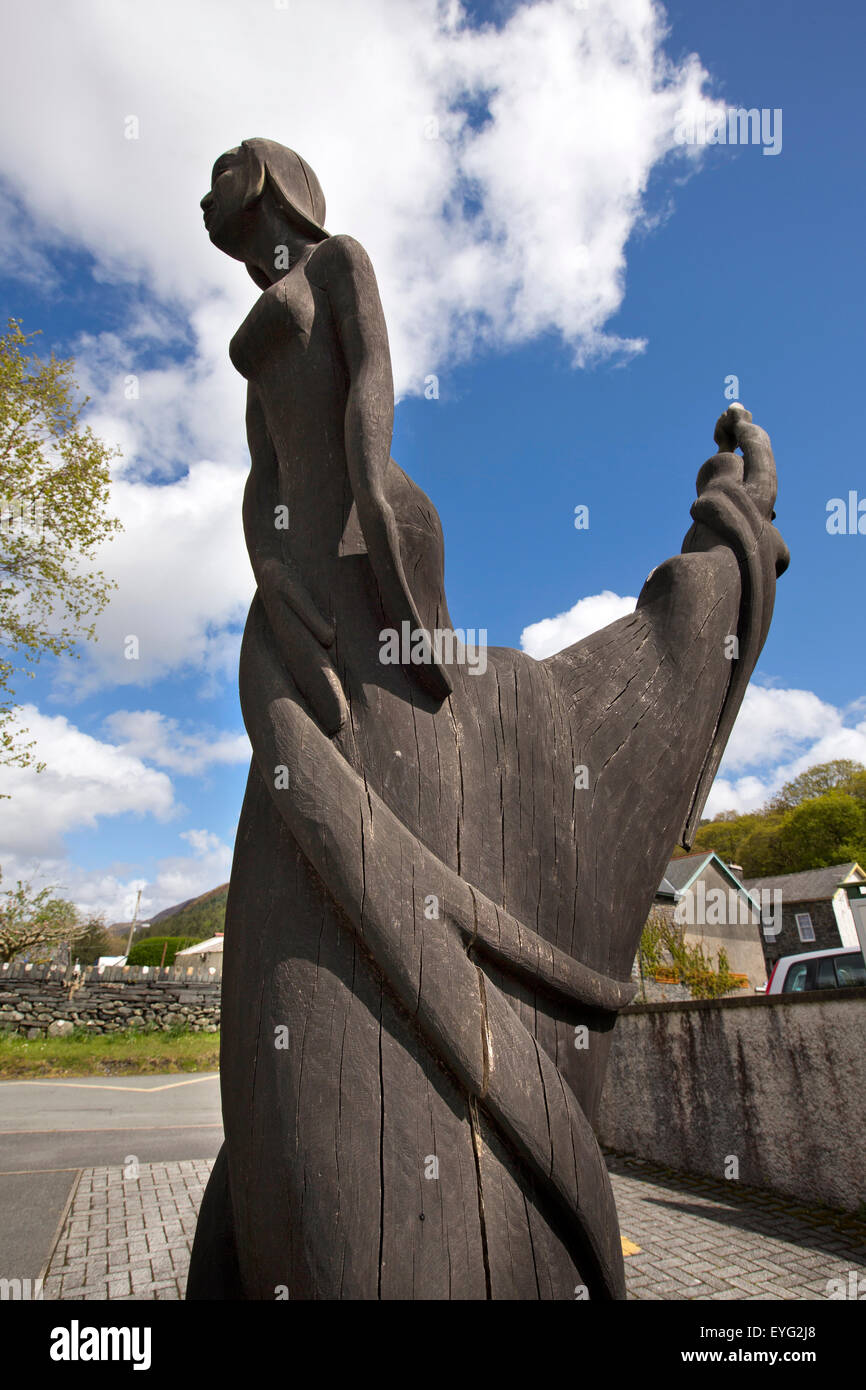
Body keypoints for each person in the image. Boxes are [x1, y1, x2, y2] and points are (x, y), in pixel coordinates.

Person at [188, 139, 787, 1300]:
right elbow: (264, 467)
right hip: (302, 601)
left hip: (370, 528)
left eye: (228, 176)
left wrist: (368, 504)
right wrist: (272, 567)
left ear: (276, 188)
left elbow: (371, 391)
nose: (209, 199)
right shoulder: (252, 334)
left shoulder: (342, 263)